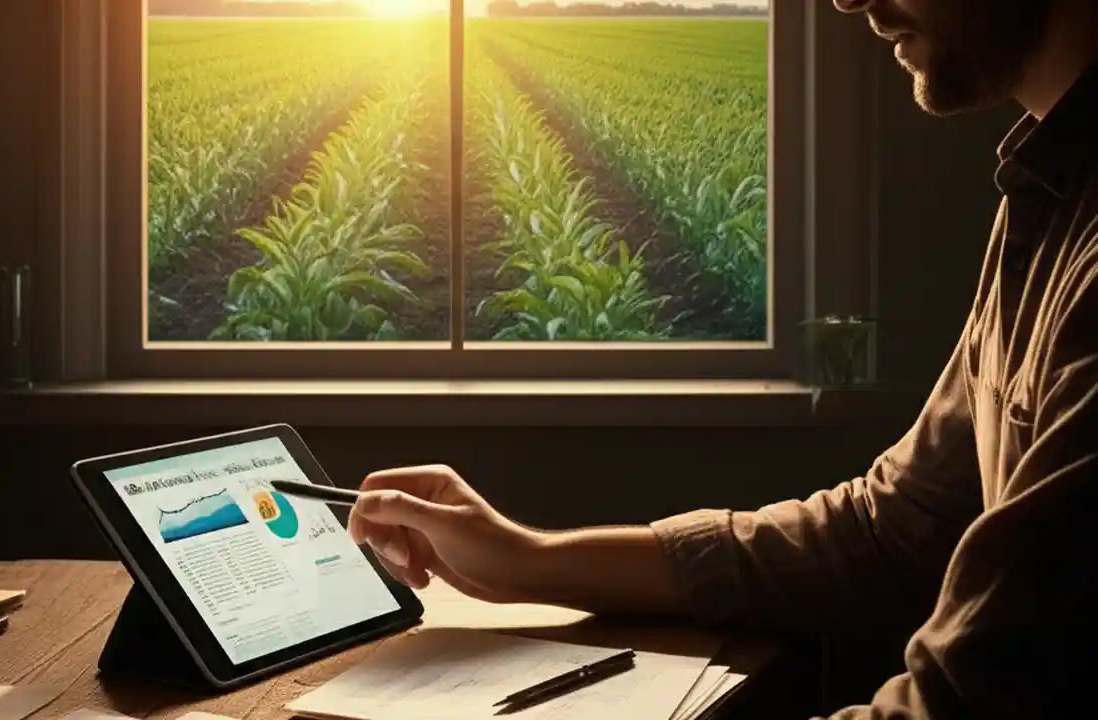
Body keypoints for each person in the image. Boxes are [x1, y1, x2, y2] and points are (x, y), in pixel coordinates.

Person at [346, 0, 1098, 717]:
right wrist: (525, 560)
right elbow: (893, 529)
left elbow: (977, 702)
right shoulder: (1047, 195)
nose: (846, 3)